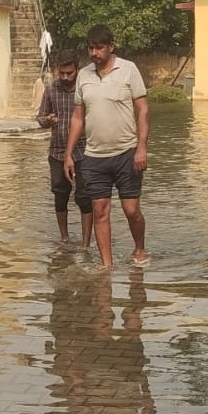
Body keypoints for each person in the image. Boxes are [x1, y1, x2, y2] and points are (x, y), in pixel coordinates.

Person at [62, 25, 149, 267]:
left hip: (126, 153)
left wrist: (141, 147)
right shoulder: (84, 76)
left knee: (131, 210)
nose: (94, 52)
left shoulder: (128, 70)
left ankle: (140, 249)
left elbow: (142, 110)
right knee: (100, 210)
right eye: (90, 47)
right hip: (94, 156)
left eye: (99, 47)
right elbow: (78, 117)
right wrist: (69, 154)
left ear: (111, 47)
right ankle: (106, 266)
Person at [38, 49, 91, 241]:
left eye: (70, 73)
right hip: (58, 152)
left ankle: (86, 242)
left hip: (84, 151)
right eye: (62, 73)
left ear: (77, 69)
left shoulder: (85, 88)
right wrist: (48, 120)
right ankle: (64, 238)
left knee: (84, 197)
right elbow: (40, 118)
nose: (66, 77)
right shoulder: (52, 89)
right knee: (60, 196)